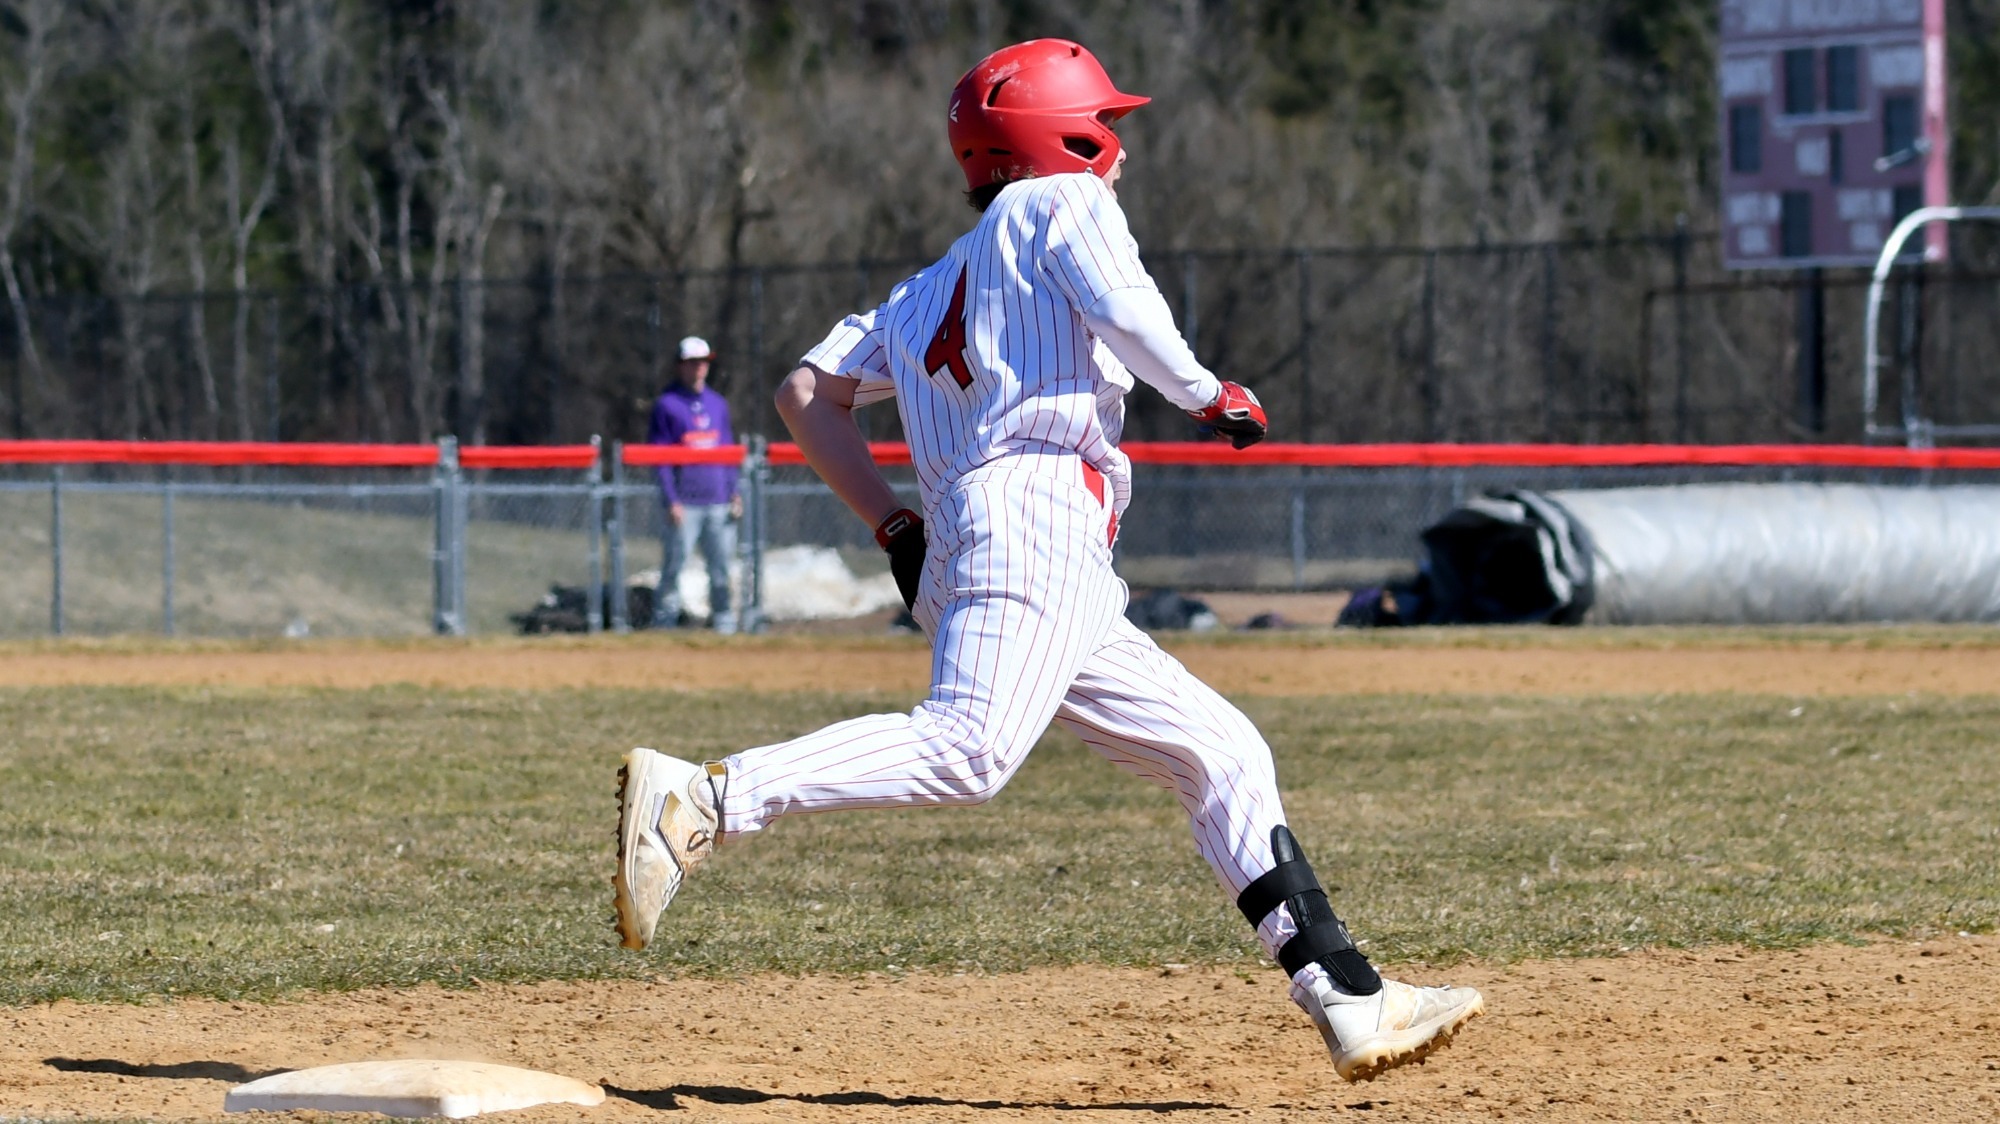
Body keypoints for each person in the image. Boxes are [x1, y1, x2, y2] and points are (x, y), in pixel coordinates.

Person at [613, 39, 1482, 1084]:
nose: (1115, 146)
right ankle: (705, 801)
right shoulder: (1057, 204)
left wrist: (893, 530)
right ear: (1060, 136)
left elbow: (805, 392)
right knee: (970, 749)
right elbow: (1122, 308)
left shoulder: (925, 287)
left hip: (1005, 546)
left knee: (1222, 753)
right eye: (1103, 124)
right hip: (1031, 520)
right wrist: (1206, 392)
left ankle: (1345, 994)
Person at [647, 335, 742, 633]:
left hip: (718, 501)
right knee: (673, 568)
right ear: (680, 366)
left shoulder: (717, 404)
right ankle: (665, 623)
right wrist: (670, 499)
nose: (698, 369)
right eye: (691, 363)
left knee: (721, 569)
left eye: (702, 363)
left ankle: (724, 622)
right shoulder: (667, 405)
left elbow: (727, 450)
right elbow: (660, 458)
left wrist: (734, 490)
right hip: (685, 504)